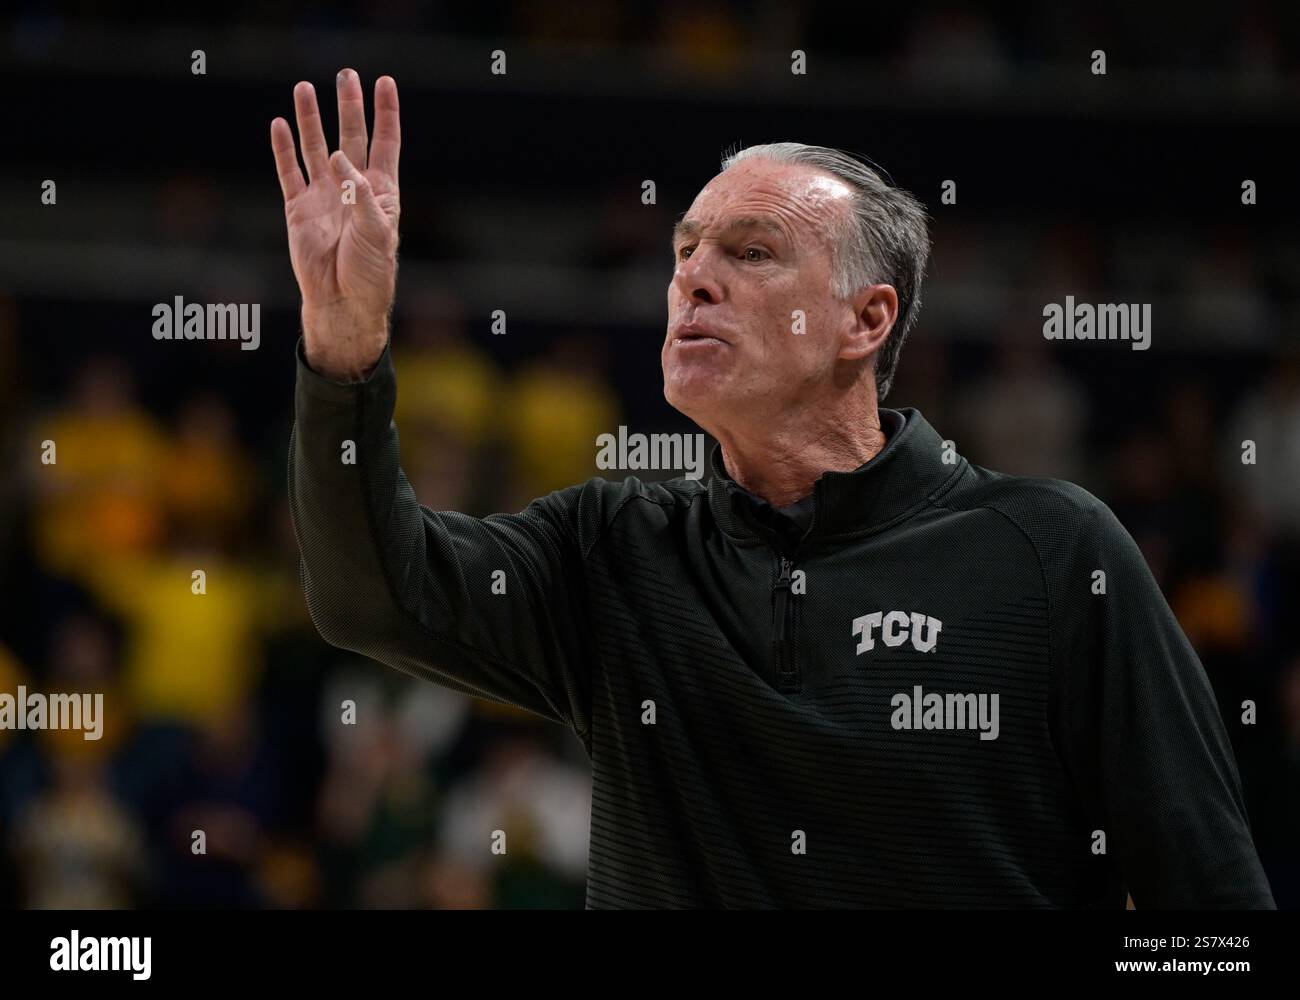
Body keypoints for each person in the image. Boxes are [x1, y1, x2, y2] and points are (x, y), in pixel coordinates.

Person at [273, 69, 1274, 908]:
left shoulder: (1054, 554)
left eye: (750, 252)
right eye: (686, 251)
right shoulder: (612, 547)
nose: (693, 278)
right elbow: (370, 593)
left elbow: (1213, 910)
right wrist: (343, 353)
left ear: (864, 319)